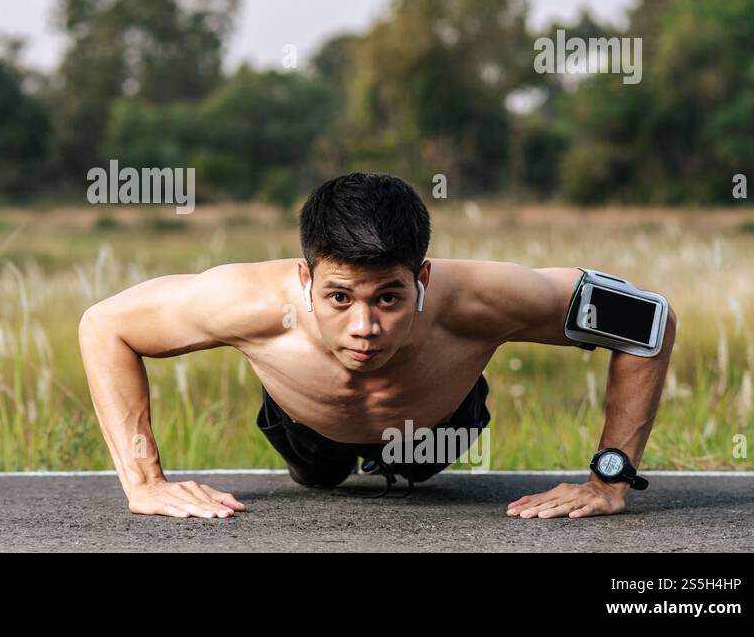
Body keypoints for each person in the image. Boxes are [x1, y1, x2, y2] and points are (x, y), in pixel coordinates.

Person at [77, 172, 677, 519]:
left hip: (438, 425)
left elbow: (649, 320)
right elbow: (105, 326)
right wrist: (144, 483)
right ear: (306, 279)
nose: (364, 327)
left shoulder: (484, 298)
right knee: (316, 478)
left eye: (388, 298)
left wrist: (608, 480)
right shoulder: (245, 300)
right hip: (304, 426)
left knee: (425, 475)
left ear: (423, 279)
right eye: (340, 298)